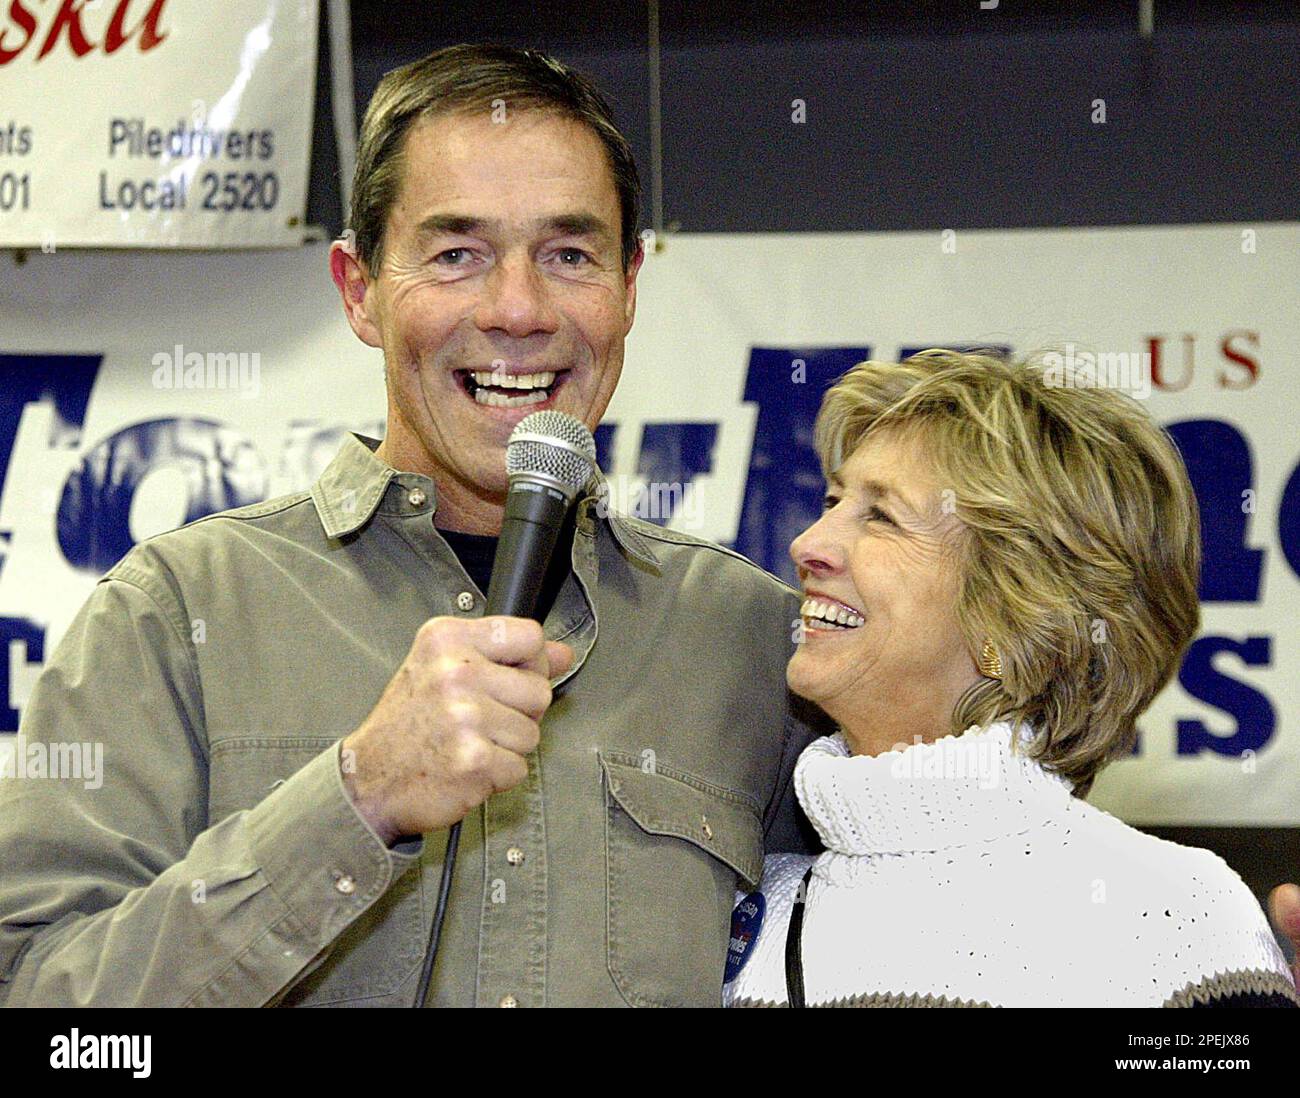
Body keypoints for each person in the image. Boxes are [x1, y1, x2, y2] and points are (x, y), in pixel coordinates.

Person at [0, 44, 826, 1008]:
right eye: (455, 254)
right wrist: (354, 798)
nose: (518, 309)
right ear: (359, 290)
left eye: (569, 254)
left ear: (629, 285)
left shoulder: (754, 640)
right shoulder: (176, 614)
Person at [723, 350, 1300, 1007]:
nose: (808, 543)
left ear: (1017, 614)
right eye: (832, 501)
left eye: (880, 516)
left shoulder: (1180, 920)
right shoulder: (729, 917)